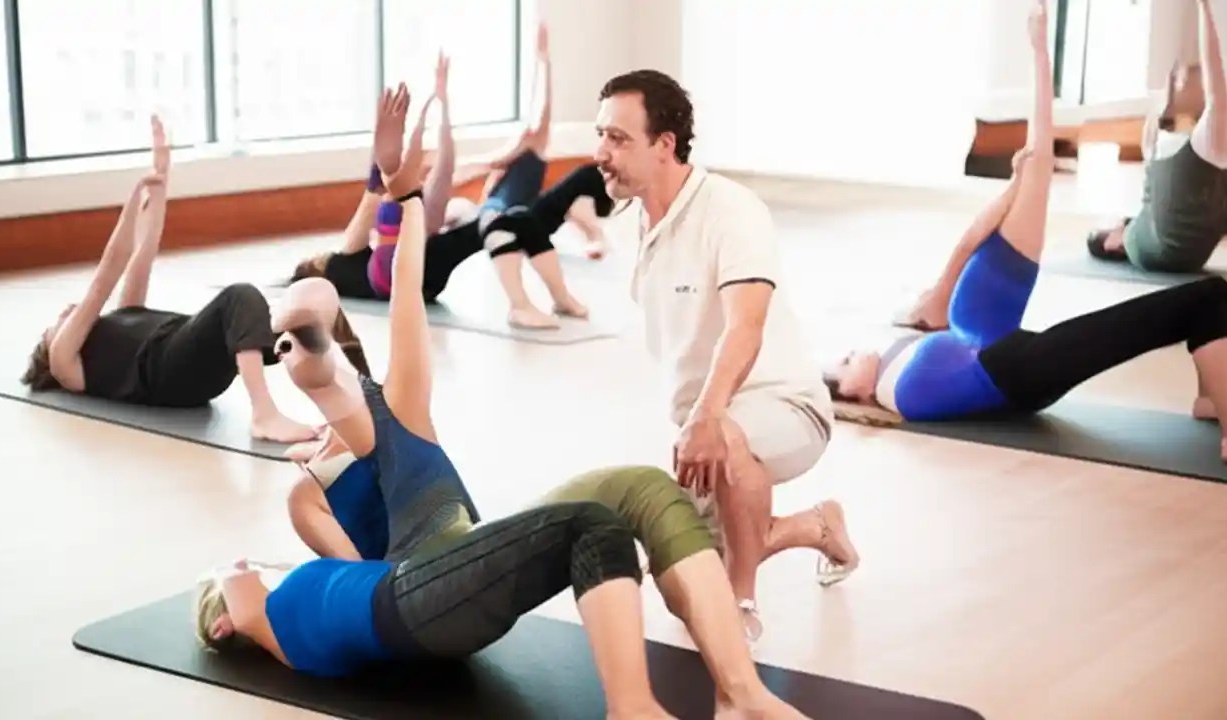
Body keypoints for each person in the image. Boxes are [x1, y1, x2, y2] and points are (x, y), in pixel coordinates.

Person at [191, 85, 806, 720]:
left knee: (646, 488)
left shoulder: (398, 417)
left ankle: (742, 695)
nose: (237, 564)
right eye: (223, 578)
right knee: (589, 526)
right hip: (426, 583)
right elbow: (360, 570)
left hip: (460, 559)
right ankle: (637, 710)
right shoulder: (318, 486)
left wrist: (394, 191)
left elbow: (390, 300)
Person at [828, 2, 1227, 465]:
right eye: (843, 366)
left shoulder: (923, 332)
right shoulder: (895, 387)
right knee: (1204, 298)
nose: (850, 354)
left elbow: (982, 226)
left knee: (1214, 297)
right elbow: (964, 250)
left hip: (1004, 346)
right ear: (852, 397)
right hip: (1017, 371)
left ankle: (1211, 397)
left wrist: (1039, 51)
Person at [592, 69, 857, 641]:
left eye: (617, 138)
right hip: (699, 429)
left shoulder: (731, 210)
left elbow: (746, 325)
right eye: (601, 136)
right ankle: (813, 526)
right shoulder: (632, 221)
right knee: (680, 580)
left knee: (733, 448)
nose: (601, 153)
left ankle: (740, 607)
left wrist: (709, 417)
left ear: (665, 145)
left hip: (786, 407)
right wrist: (700, 422)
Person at [19, 116, 346, 443]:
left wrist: (160, 176)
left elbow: (144, 250)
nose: (64, 313)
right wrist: (133, 200)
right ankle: (264, 415)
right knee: (239, 296)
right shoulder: (65, 364)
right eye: (55, 326)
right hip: (169, 370)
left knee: (308, 300)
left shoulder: (124, 314)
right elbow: (104, 279)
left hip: (196, 354)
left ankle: (343, 401)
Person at [292, 26, 609, 330]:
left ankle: (548, 298)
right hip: (409, 277)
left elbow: (409, 184)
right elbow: (379, 194)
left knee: (500, 219)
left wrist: (429, 117)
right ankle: (533, 301)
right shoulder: (339, 263)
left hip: (420, 283)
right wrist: (393, 150)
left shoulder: (354, 263)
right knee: (482, 218)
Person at [1086, 0, 1227, 273]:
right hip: (1183, 220)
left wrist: (1162, 105)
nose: (1121, 222)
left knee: (1220, 105)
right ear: (1110, 244)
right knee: (1218, 102)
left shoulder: (1145, 240)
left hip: (1194, 225)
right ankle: (1204, 8)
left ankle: (1205, 12)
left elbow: (1149, 159)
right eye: (1113, 227)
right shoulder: (1135, 243)